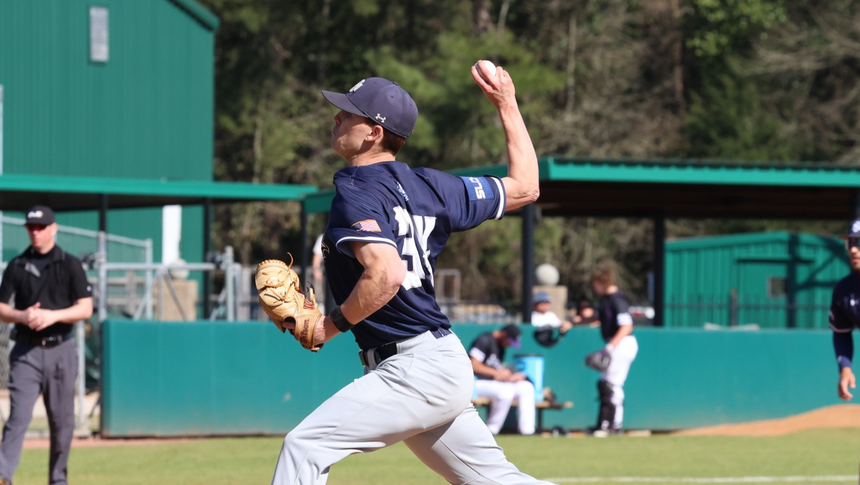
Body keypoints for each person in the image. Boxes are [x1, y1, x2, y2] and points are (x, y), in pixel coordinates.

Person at [268, 64, 550, 485]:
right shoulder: (433, 186)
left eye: (347, 113)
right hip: (439, 361)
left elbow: (387, 275)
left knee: (304, 447)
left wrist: (330, 325)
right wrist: (507, 104)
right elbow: (526, 186)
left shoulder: (355, 190)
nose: (336, 119)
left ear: (374, 132)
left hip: (413, 367)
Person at [0, 206, 93, 485]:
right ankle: (3, 475)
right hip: (26, 351)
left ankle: (57, 480)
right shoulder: (17, 265)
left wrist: (53, 315)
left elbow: (86, 308)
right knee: (18, 417)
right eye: (31, 227)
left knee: (62, 423)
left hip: (61, 349)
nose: (36, 233)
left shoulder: (70, 264)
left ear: (53, 229)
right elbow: (2, 307)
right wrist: (22, 316)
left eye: (41, 227)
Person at [571, 268, 638, 437]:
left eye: (596, 284)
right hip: (615, 344)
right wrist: (572, 323)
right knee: (604, 384)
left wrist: (610, 347)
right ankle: (603, 424)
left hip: (622, 343)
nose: (595, 288)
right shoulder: (607, 300)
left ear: (603, 282)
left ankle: (613, 426)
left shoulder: (618, 300)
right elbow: (596, 317)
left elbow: (626, 326)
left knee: (612, 385)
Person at [468, 324, 536, 435]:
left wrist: (511, 376)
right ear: (503, 333)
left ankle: (527, 431)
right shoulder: (484, 339)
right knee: (505, 391)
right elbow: (473, 365)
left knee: (526, 387)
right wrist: (497, 373)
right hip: (475, 383)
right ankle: (491, 430)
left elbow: (497, 369)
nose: (509, 344)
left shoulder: (501, 346)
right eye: (509, 341)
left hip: (493, 384)